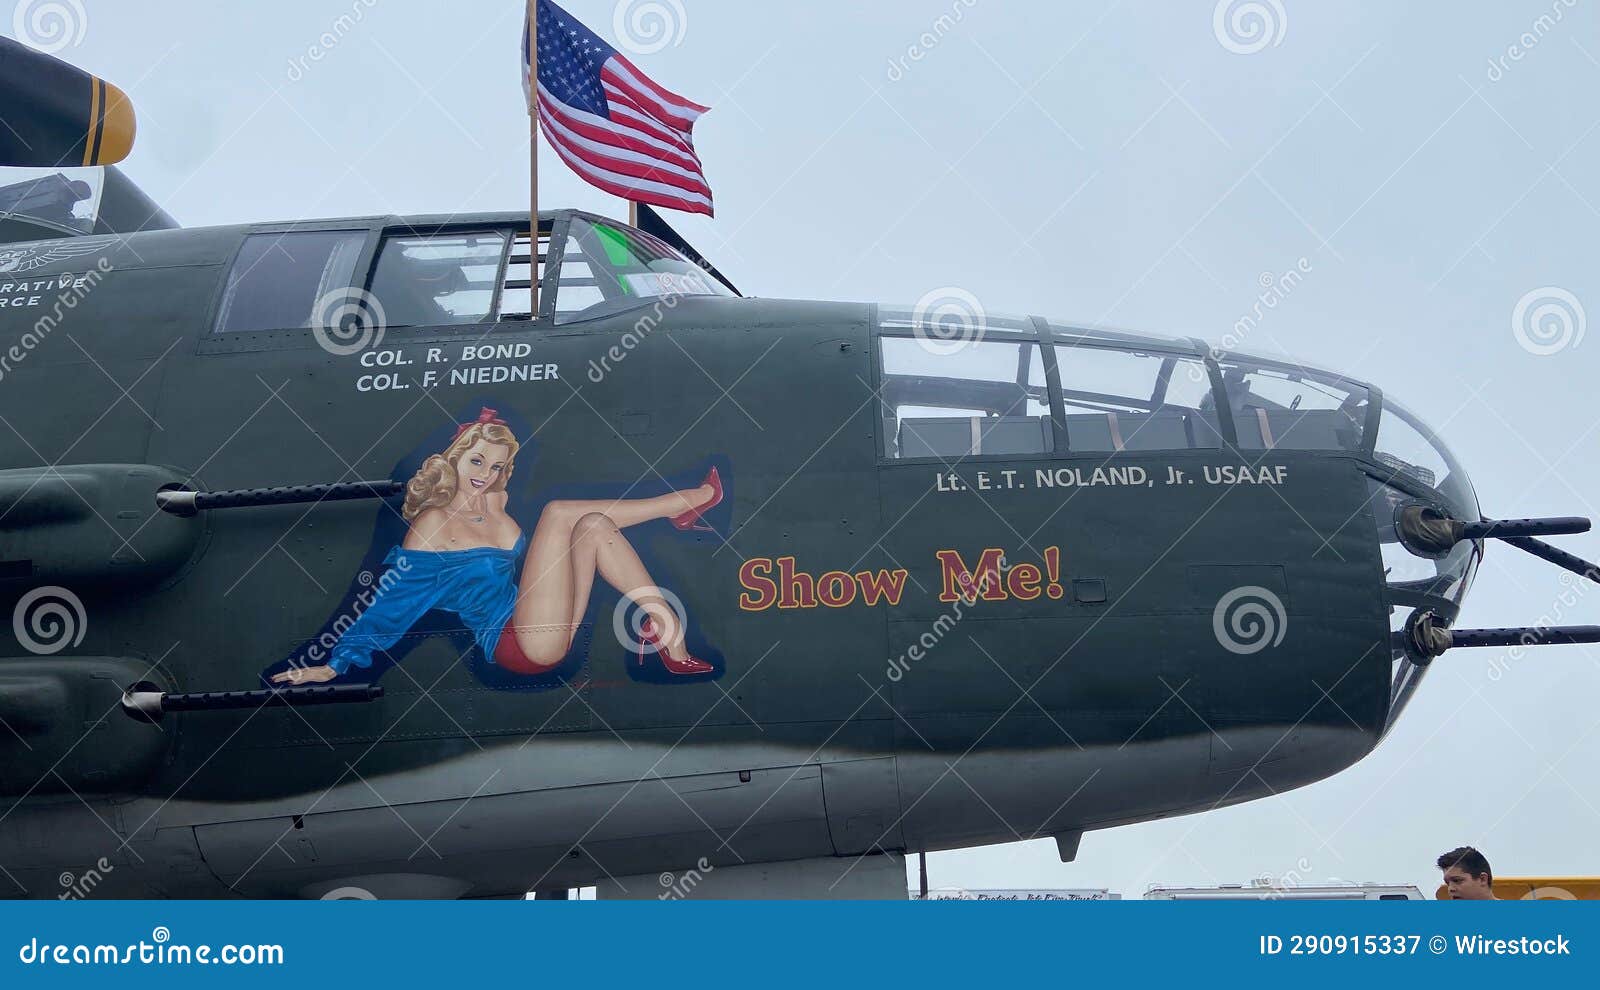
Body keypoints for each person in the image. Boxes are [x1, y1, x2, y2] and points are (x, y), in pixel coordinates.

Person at [272, 407, 722, 684]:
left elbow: (504, 509)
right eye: (476, 460)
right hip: (516, 645)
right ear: (456, 458)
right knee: (560, 514)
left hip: (545, 624)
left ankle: (669, 636)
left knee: (592, 526)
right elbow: (393, 604)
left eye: (496, 465)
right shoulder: (431, 525)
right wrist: (335, 664)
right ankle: (680, 504)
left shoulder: (495, 504)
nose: (484, 473)